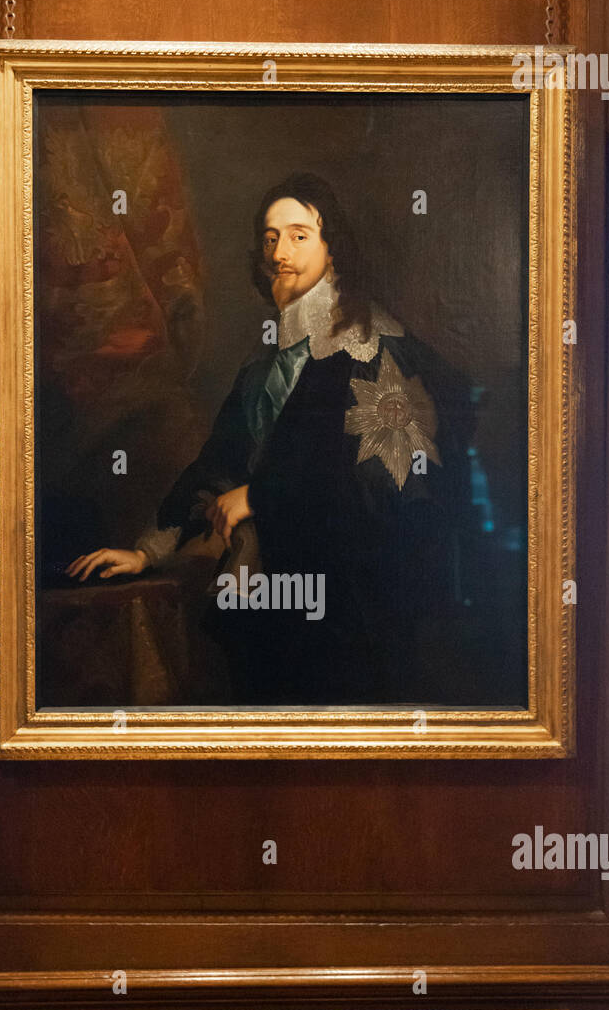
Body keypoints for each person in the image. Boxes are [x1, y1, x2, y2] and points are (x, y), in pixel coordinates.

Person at [67, 172, 484, 705]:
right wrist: (148, 551)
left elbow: (395, 497)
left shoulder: (374, 350)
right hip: (274, 600)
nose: (279, 252)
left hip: (357, 618)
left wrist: (262, 498)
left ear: (334, 250)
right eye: (270, 238)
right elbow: (217, 464)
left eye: (299, 235)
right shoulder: (265, 366)